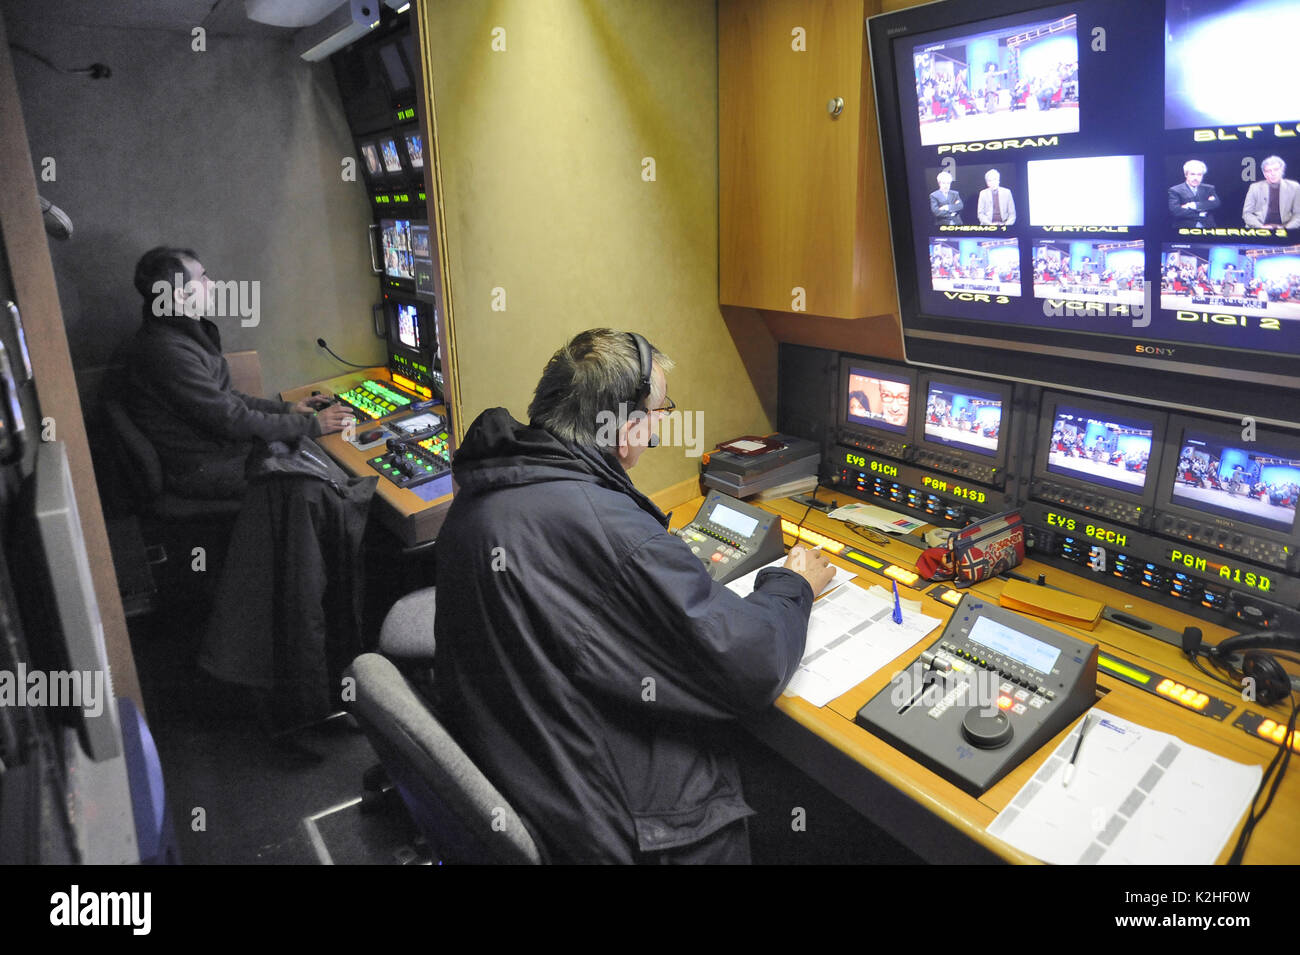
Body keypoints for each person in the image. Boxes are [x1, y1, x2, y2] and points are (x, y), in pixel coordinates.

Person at [432, 328, 834, 863]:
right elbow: (751, 663)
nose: (661, 429)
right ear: (624, 429)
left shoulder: (492, 482)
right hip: (612, 823)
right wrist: (793, 584)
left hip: (523, 768)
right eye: (662, 413)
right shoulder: (610, 531)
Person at [121, 247, 354, 499]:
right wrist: (313, 424)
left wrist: (288, 410)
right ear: (181, 294)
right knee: (316, 484)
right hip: (202, 468)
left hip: (218, 453)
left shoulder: (179, 335)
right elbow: (230, 420)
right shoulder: (167, 351)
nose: (212, 284)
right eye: (203, 277)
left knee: (306, 450)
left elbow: (227, 398)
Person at [1242, 156, 1300, 229]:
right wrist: (1261, 227)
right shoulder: (1254, 187)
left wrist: (1286, 228)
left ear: (1282, 170)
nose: (1273, 173)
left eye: (1276, 170)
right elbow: (1247, 213)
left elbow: (1298, 215)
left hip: (1286, 228)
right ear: (1264, 173)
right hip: (1259, 228)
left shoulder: (1294, 187)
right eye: (1268, 171)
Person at [1168, 159, 1221, 228]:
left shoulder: (1209, 188)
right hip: (1184, 228)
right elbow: (1176, 211)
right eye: (1192, 174)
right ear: (1186, 175)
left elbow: (1215, 204)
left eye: (1199, 175)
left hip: (1209, 227)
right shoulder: (1175, 190)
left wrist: (1193, 205)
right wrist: (1200, 214)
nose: (1196, 178)